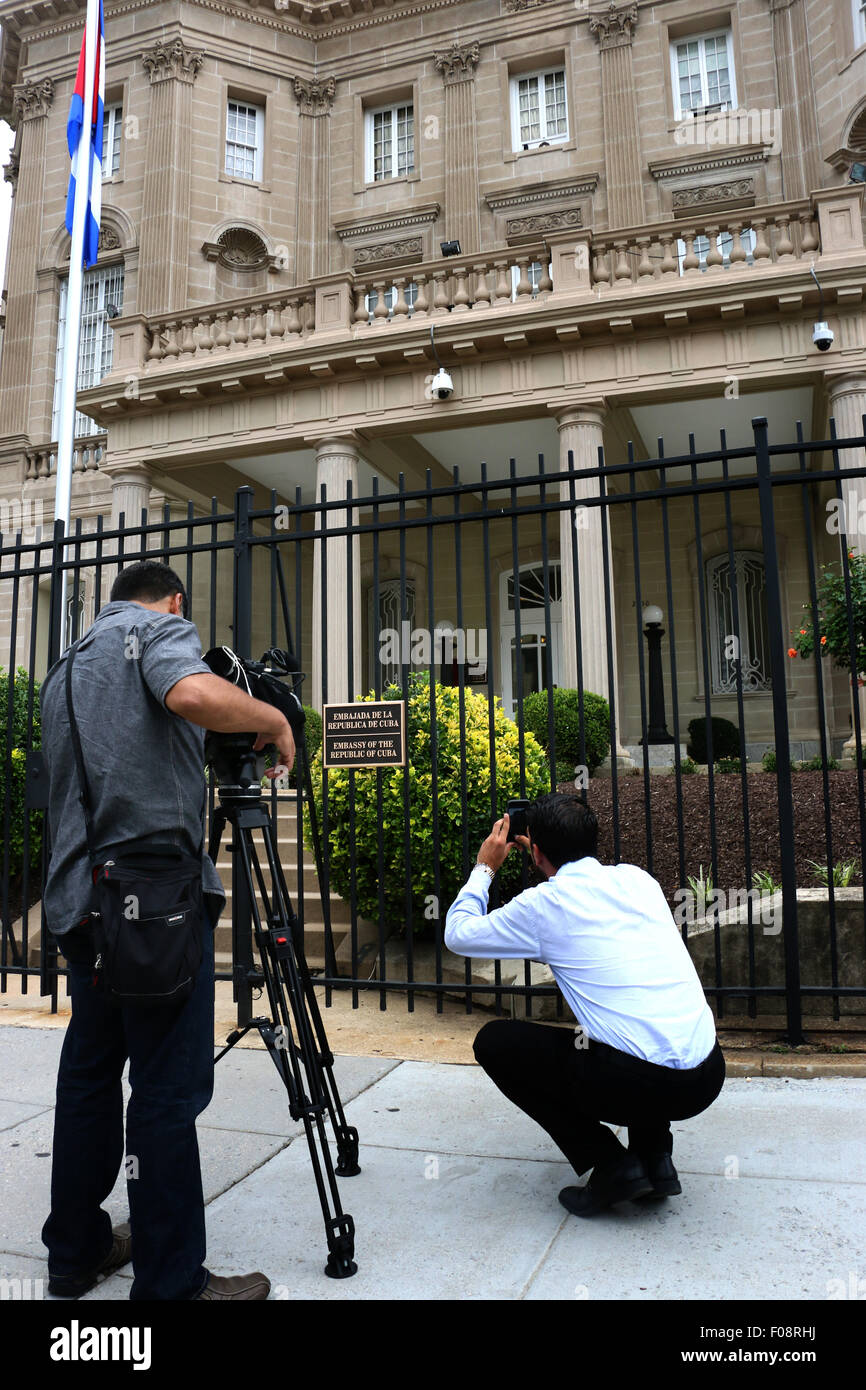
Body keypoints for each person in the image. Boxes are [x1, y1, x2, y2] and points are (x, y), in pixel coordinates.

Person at [40, 560, 297, 1300]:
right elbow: (188, 692)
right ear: (173, 602)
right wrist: (272, 717)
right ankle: (172, 1281)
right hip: (152, 910)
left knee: (90, 1076)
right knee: (164, 1089)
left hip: (82, 905)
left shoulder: (66, 667)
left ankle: (76, 1250)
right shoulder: (157, 630)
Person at [444, 793, 725, 1216]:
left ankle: (614, 1167)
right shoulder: (638, 880)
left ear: (534, 851)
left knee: (496, 1042)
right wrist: (544, 860)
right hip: (707, 1075)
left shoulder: (543, 905)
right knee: (631, 1021)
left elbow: (459, 934)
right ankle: (656, 1158)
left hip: (640, 1082)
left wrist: (486, 867)